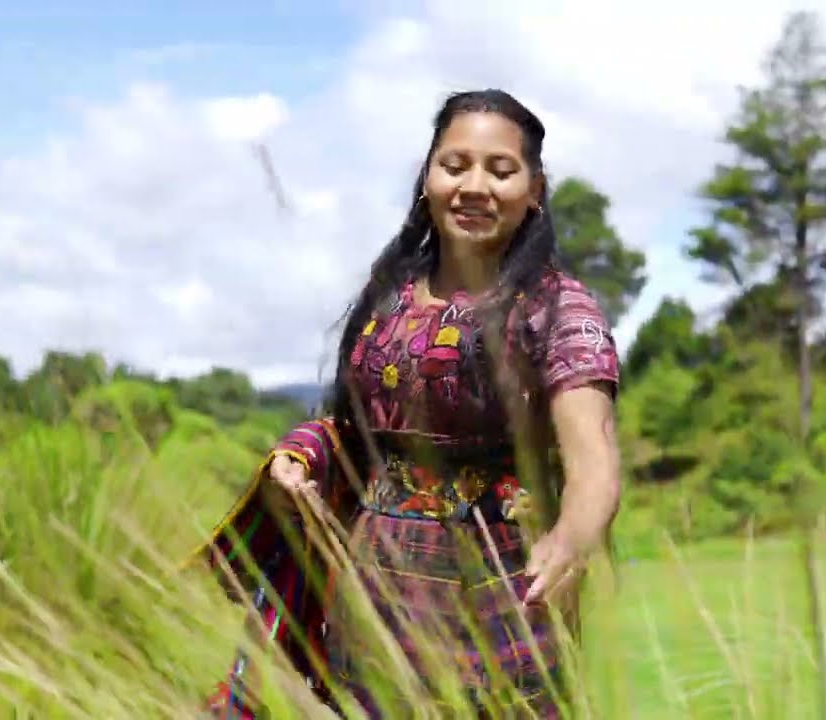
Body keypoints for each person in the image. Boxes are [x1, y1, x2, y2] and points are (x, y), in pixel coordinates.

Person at [198, 88, 622, 719]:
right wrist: (303, 453)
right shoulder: (388, 296)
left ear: (534, 191)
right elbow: (355, 429)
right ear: (428, 179)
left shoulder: (558, 308)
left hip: (504, 588)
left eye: (500, 171)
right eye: (455, 165)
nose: (474, 185)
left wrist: (571, 538)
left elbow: (594, 457)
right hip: (376, 588)